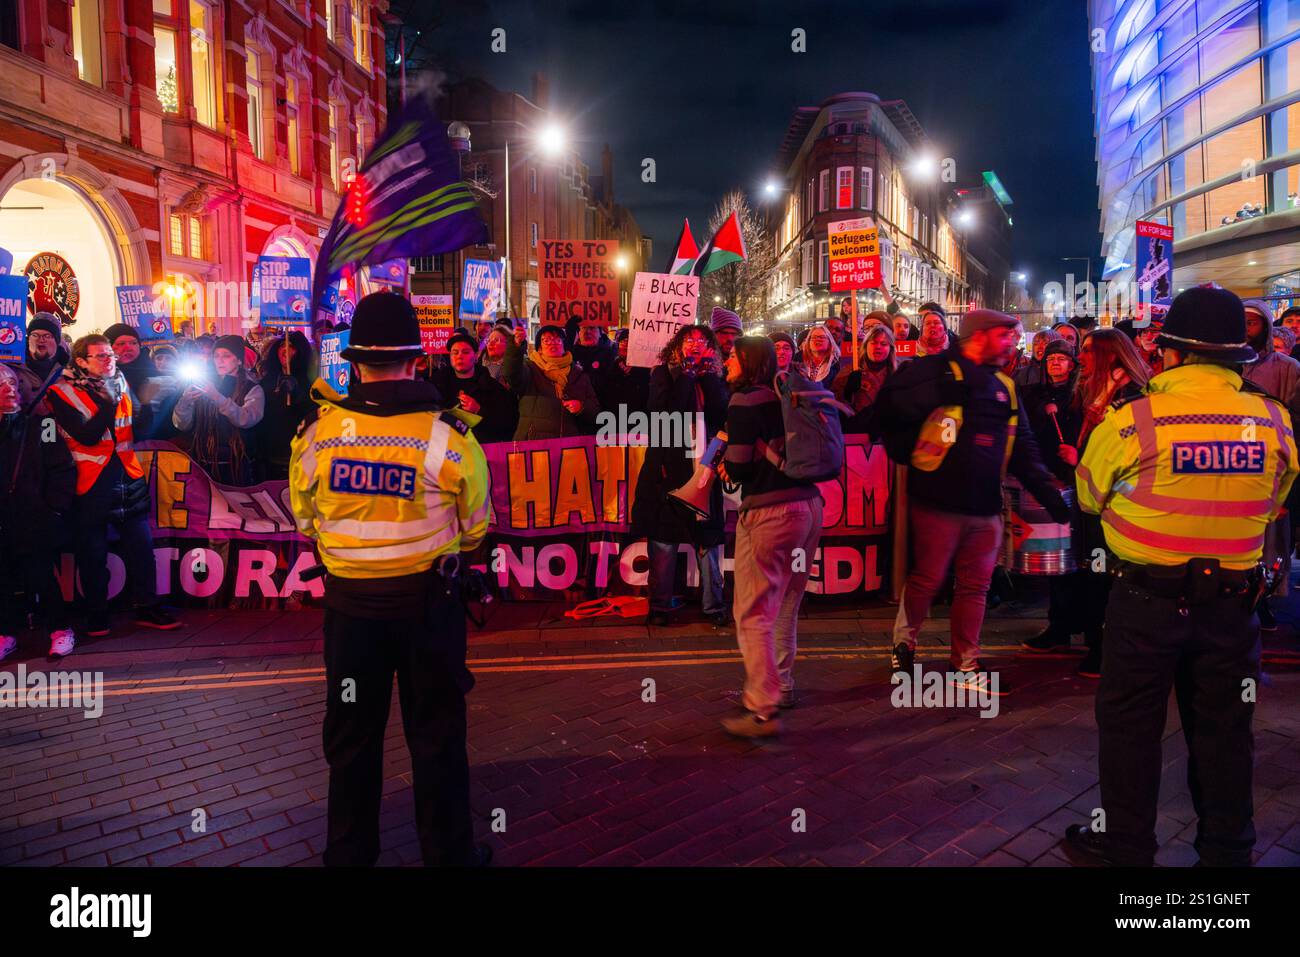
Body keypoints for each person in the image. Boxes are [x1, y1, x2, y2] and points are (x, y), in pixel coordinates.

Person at [1063, 286, 1298, 868]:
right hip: (1232, 608)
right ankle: (1227, 855)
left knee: (1129, 731)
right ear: (1236, 357)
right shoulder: (1274, 420)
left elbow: (1089, 498)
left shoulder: (1133, 419)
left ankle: (1126, 851)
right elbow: (1274, 501)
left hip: (1145, 600)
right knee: (1225, 736)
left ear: (1173, 353)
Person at [289, 291, 492, 868]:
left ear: (354, 364)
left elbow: (307, 521)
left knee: (351, 738)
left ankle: (349, 856)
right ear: (416, 360)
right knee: (436, 735)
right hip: (429, 611)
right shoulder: (449, 436)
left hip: (351, 615)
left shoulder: (316, 434)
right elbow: (475, 529)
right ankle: (449, 856)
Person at [873, 309, 1069, 691]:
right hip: (936, 503)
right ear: (979, 336)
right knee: (927, 580)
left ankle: (965, 665)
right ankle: (904, 643)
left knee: (975, 586)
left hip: (985, 505)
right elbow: (888, 408)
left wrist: (1049, 496)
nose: (1011, 342)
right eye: (1003, 335)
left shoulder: (1005, 385)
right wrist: (913, 436)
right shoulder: (935, 370)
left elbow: (1024, 447)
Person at [719, 336, 824, 737]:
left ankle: (763, 708)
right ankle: (781, 685)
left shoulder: (745, 401)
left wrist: (728, 464)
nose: (726, 360)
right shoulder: (787, 394)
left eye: (732, 355)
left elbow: (741, 468)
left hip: (771, 512)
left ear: (748, 361)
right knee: (787, 603)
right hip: (809, 508)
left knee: (752, 613)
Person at [46, 335, 180, 637]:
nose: (110, 361)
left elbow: (138, 431)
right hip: (89, 483)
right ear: (81, 361)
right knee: (92, 553)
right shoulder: (60, 393)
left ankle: (147, 606)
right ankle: (97, 614)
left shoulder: (120, 384)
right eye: (102, 356)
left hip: (126, 476)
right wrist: (109, 403)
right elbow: (88, 435)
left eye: (111, 355)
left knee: (141, 548)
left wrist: (148, 405)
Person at [631, 324, 729, 628]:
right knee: (664, 538)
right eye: (690, 340)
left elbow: (721, 412)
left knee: (707, 539)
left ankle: (714, 606)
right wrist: (686, 375)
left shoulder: (715, 377)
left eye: (702, 341)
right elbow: (665, 413)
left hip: (703, 466)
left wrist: (708, 377)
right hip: (669, 467)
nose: (695, 344)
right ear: (678, 344)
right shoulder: (664, 373)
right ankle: (659, 606)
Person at [0, 362, 77, 660]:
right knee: (3, 580)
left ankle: (60, 630)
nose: (11, 389)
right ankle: (6, 633)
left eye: (13, 383)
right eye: (3, 385)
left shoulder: (41, 425)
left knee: (42, 578)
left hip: (33, 519)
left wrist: (53, 510)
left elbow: (62, 469)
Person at [1241, 298, 1300, 631]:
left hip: (1270, 463)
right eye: (1242, 322)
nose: (1247, 328)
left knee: (1270, 539)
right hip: (1234, 462)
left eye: (1253, 322)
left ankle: (1262, 599)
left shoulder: (1287, 367)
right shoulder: (1228, 364)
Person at [172, 334, 265, 485]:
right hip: (202, 462)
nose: (220, 360)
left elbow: (246, 419)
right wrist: (185, 402)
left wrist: (216, 397)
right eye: (216, 356)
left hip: (235, 464)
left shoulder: (252, 388)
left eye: (226, 356)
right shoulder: (202, 384)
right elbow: (182, 425)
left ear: (239, 360)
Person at [503, 324, 601, 440]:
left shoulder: (579, 374)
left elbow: (595, 410)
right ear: (539, 348)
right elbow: (512, 374)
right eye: (546, 340)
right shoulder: (530, 369)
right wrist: (515, 347)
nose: (553, 343)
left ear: (564, 345)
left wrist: (581, 407)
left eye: (557, 340)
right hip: (534, 443)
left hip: (569, 445)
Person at [431, 330, 515, 443]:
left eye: (465, 352)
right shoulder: (437, 386)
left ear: (475, 356)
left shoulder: (491, 387)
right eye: (455, 353)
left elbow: (507, 422)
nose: (460, 356)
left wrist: (479, 410)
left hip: (481, 449)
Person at [254, 331, 315, 481]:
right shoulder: (267, 380)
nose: (285, 349)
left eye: (292, 347)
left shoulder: (310, 381)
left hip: (298, 455)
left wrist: (297, 395)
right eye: (282, 345)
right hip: (270, 454)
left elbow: (312, 414)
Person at [841, 324, 896, 436]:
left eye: (884, 344)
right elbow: (836, 406)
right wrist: (847, 393)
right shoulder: (849, 371)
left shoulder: (898, 374)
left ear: (890, 348)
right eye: (874, 343)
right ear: (866, 346)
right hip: (856, 437)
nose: (878, 347)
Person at [18, 312, 69, 411]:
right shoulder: (11, 365)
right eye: (35, 335)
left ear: (57, 341)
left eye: (47, 336)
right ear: (28, 339)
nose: (41, 340)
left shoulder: (69, 369)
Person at [600, 329, 651, 415]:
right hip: (614, 415)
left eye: (628, 341)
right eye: (622, 341)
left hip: (638, 415)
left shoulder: (644, 366)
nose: (625, 344)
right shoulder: (610, 362)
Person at [796, 323, 841, 389]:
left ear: (829, 341)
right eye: (814, 337)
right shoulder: (798, 358)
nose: (818, 340)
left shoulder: (837, 362)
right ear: (808, 342)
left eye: (822, 337)